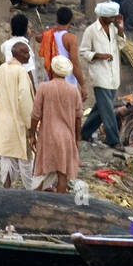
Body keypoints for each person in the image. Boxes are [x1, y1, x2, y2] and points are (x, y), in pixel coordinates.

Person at [28, 55, 83, 192]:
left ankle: (35, 205)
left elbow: (35, 115)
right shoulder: (74, 90)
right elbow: (78, 118)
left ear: (52, 70)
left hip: (48, 136)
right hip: (66, 137)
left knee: (40, 173)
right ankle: (60, 207)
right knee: (62, 175)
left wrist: (31, 134)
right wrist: (76, 139)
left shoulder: (44, 87)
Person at [79, 2, 123, 146]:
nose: (113, 20)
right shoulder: (91, 30)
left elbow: (122, 45)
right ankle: (114, 140)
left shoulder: (114, 28)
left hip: (113, 76)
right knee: (108, 110)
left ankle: (84, 133)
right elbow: (83, 51)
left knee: (101, 108)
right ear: (102, 16)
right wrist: (98, 55)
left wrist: (120, 29)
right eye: (110, 17)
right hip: (100, 75)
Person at [38, 6, 85, 91]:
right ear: (71, 20)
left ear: (57, 19)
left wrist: (52, 29)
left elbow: (38, 38)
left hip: (51, 80)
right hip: (67, 83)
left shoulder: (48, 34)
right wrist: (83, 85)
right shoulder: (70, 38)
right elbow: (75, 64)